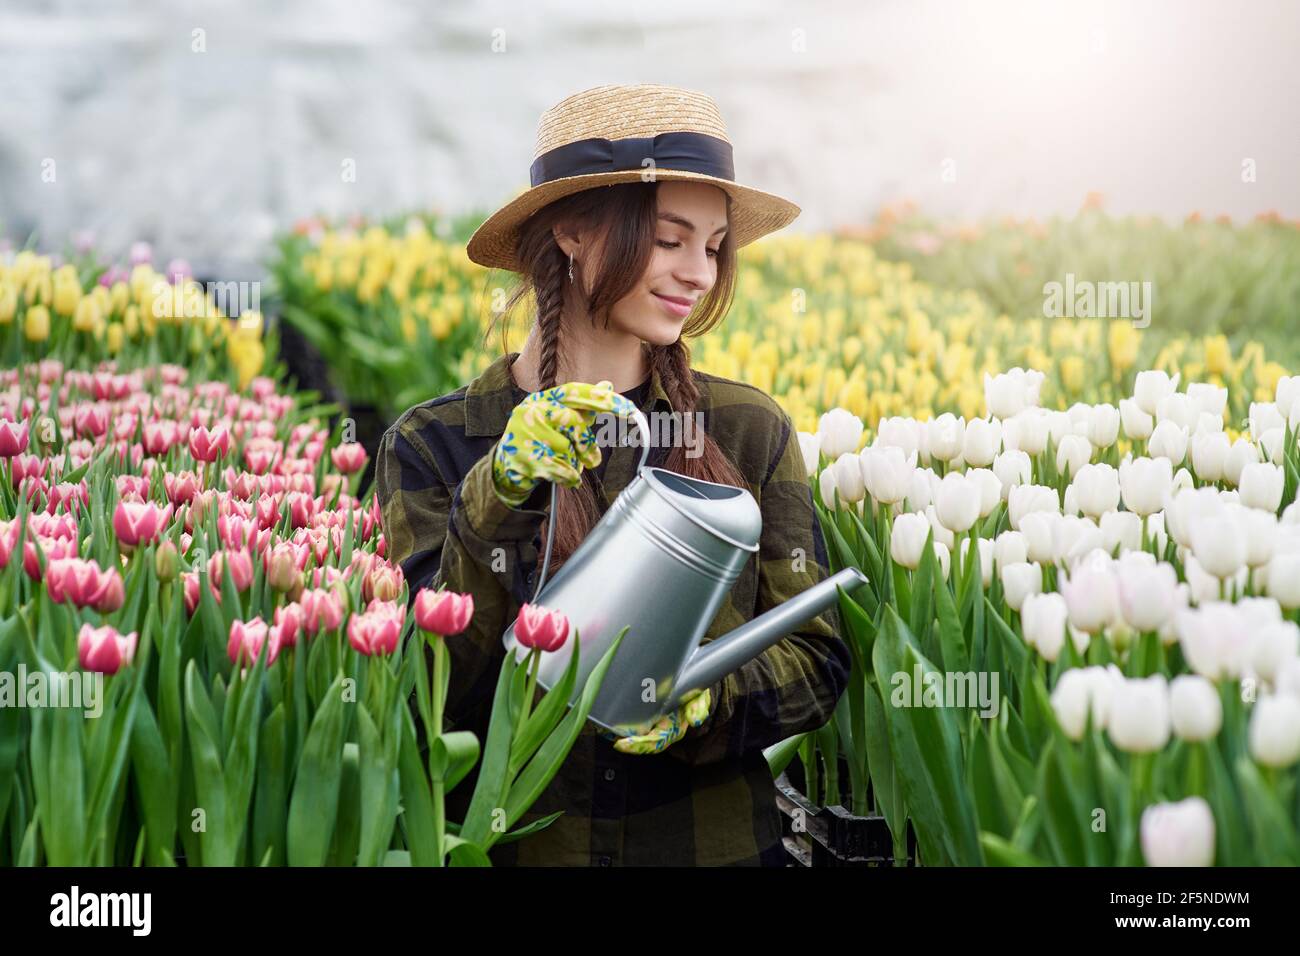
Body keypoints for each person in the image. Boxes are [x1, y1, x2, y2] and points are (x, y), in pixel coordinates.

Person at [374, 83, 849, 866]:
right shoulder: (435, 445)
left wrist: (707, 699)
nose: (699, 272)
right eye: (669, 239)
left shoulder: (742, 429)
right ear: (569, 229)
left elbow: (817, 660)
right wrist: (501, 492)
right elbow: (428, 688)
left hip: (711, 850)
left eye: (713, 244)